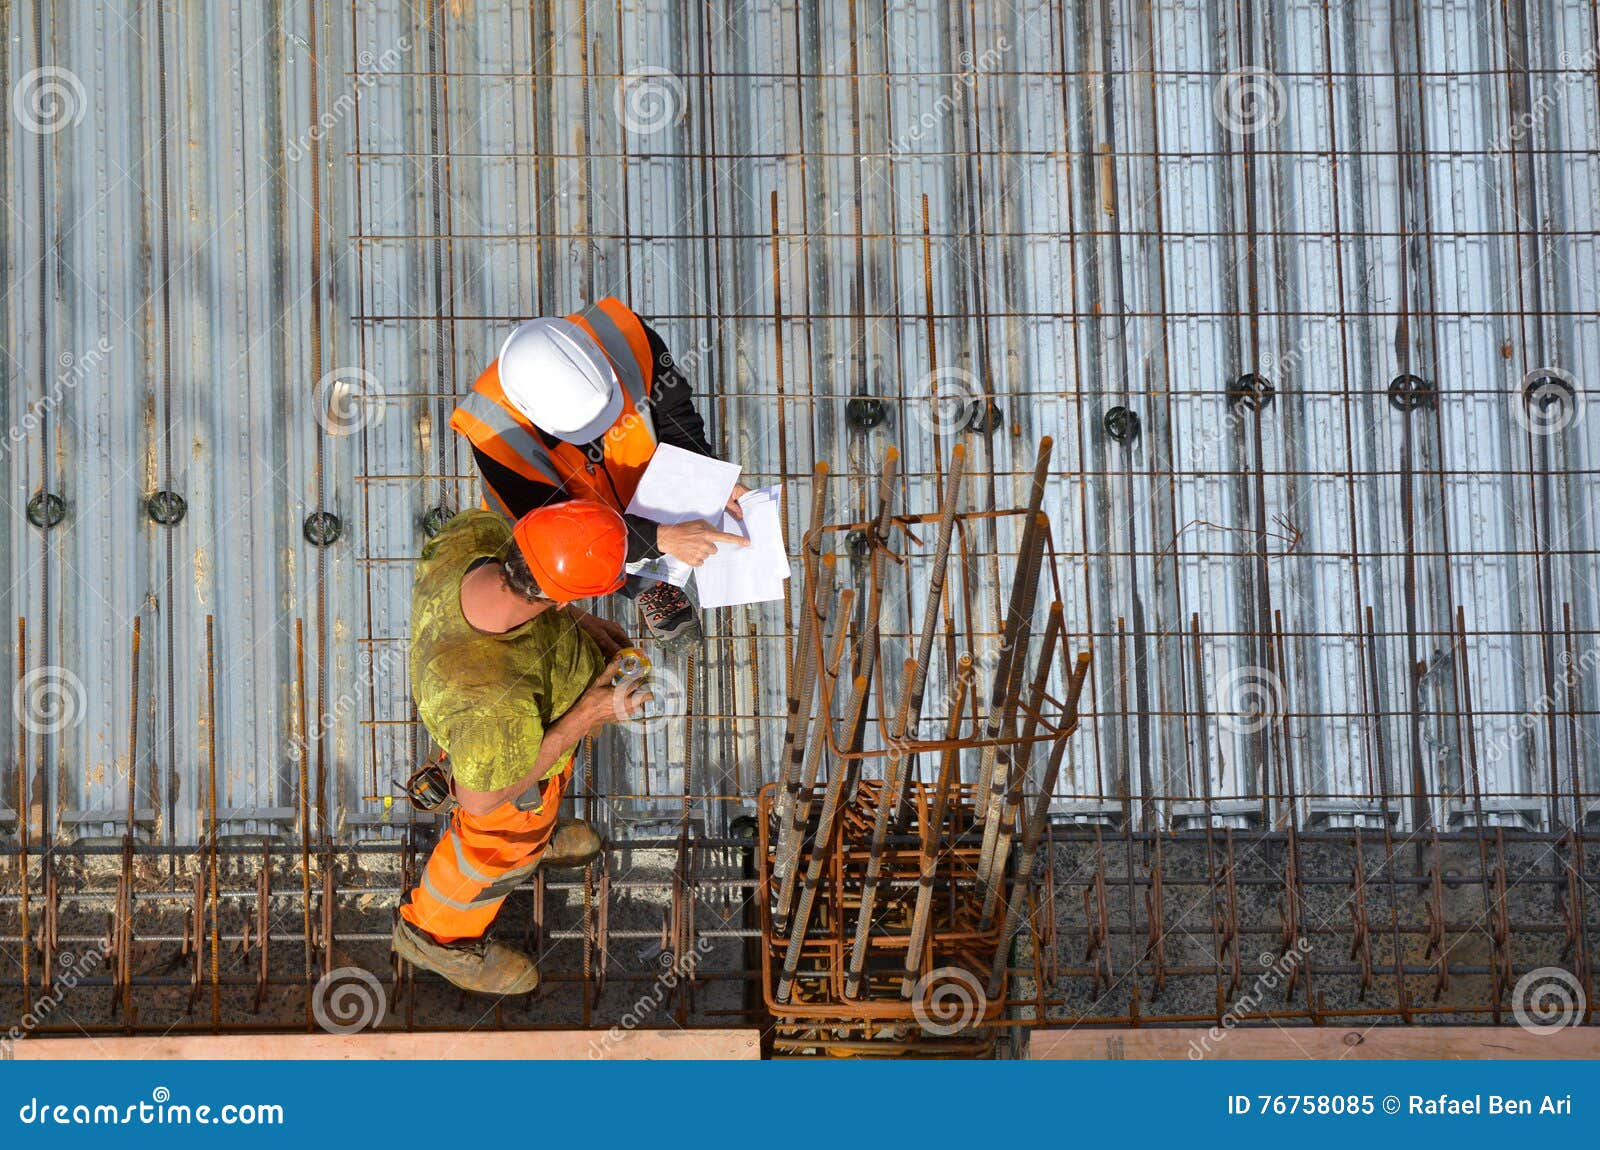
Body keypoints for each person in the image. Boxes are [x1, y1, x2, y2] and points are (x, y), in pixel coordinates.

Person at [391, 501, 649, 994]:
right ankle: (436, 938)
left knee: (531, 810)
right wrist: (588, 714)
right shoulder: (490, 703)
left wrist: (583, 625)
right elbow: (480, 799)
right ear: (552, 597)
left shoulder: (477, 536)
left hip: (495, 739)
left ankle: (536, 837)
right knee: (494, 844)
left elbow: (539, 584)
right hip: (500, 783)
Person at [450, 297, 748, 647]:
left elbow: (675, 415)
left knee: (658, 522)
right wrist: (659, 539)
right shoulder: (493, 432)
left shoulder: (625, 336)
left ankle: (656, 564)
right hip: (571, 513)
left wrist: (705, 475)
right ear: (532, 413)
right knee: (601, 561)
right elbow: (566, 539)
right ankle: (649, 584)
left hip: (644, 480)